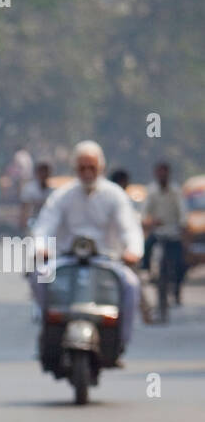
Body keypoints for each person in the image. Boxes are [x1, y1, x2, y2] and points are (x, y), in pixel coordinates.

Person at [32, 140, 143, 351]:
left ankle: (120, 342)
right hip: (67, 259)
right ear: (75, 169)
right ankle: (48, 331)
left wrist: (132, 251)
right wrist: (41, 247)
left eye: (91, 167)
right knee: (39, 276)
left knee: (131, 285)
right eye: (82, 168)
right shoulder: (62, 196)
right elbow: (44, 226)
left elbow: (130, 229)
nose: (87, 173)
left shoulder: (115, 195)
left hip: (107, 261)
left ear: (101, 168)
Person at [141, 161, 187, 307]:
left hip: (173, 233)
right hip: (158, 232)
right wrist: (150, 221)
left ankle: (177, 290)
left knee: (181, 262)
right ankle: (147, 271)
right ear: (156, 174)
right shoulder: (152, 191)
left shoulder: (175, 191)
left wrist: (182, 224)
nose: (162, 175)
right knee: (146, 248)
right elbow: (144, 212)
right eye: (159, 172)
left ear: (168, 173)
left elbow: (182, 212)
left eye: (164, 172)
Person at [19, 161, 51, 231]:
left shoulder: (50, 189)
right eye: (42, 171)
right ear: (37, 172)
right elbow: (25, 209)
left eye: (46, 171)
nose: (44, 174)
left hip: (46, 223)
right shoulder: (29, 189)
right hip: (32, 223)